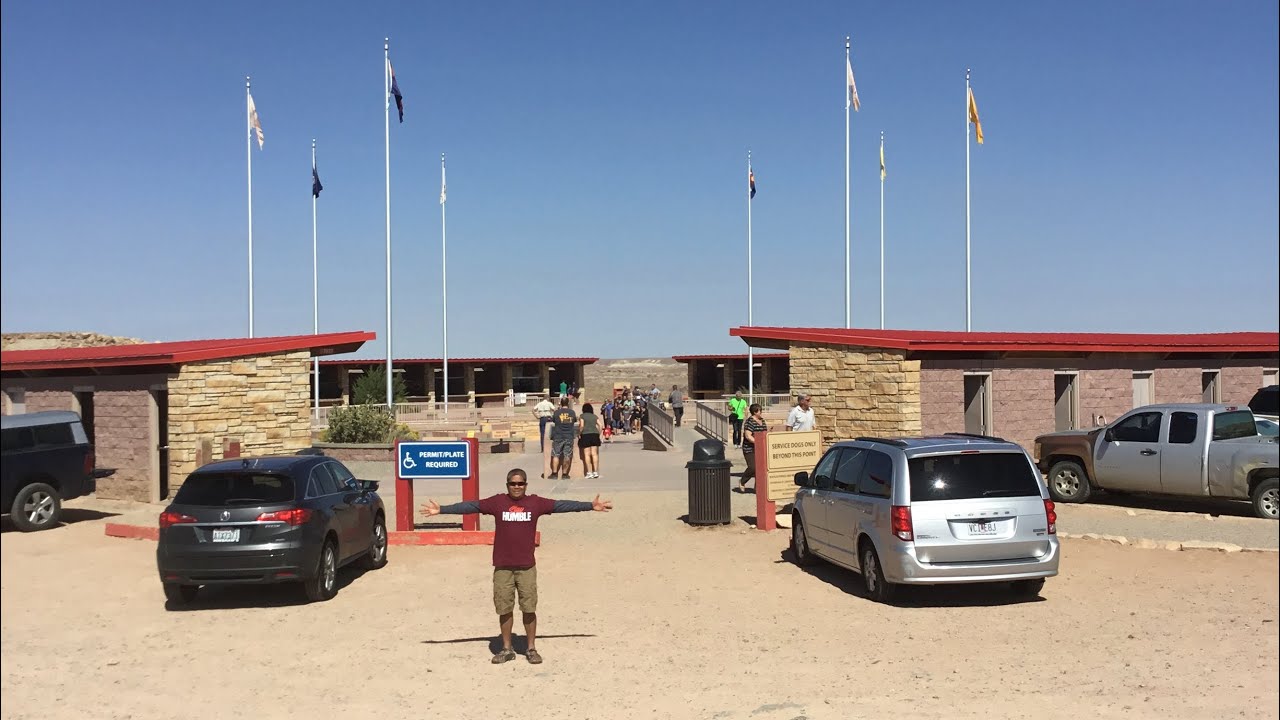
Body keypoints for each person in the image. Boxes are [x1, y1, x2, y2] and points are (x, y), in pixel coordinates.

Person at [421, 468, 612, 664]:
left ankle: (530, 648)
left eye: (520, 483)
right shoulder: (497, 502)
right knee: (504, 608)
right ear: (507, 485)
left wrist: (590, 505)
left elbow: (561, 505)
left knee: (529, 608)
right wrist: (442, 509)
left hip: (526, 566)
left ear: (526, 485)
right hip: (503, 566)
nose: (517, 487)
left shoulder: (535, 503)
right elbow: (471, 506)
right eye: (513, 483)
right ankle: (506, 648)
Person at [739, 403, 767, 493]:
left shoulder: (762, 420)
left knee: (761, 468)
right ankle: (742, 481)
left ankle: (757, 487)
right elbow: (748, 436)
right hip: (749, 448)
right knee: (753, 467)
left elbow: (764, 432)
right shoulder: (749, 421)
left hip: (761, 448)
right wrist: (757, 442)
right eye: (760, 411)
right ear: (755, 412)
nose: (761, 412)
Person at [548, 397, 577, 479]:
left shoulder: (557, 412)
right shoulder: (572, 412)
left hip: (558, 436)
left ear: (560, 403)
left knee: (556, 455)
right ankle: (565, 474)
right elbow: (574, 421)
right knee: (567, 455)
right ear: (568, 403)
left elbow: (553, 420)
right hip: (569, 436)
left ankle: (554, 473)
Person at [577, 403, 602, 478]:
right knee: (594, 454)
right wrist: (598, 433)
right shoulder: (594, 416)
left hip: (586, 434)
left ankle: (589, 472)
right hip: (594, 434)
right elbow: (600, 425)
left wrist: (579, 433)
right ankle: (595, 472)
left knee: (587, 454)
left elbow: (581, 425)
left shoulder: (582, 416)